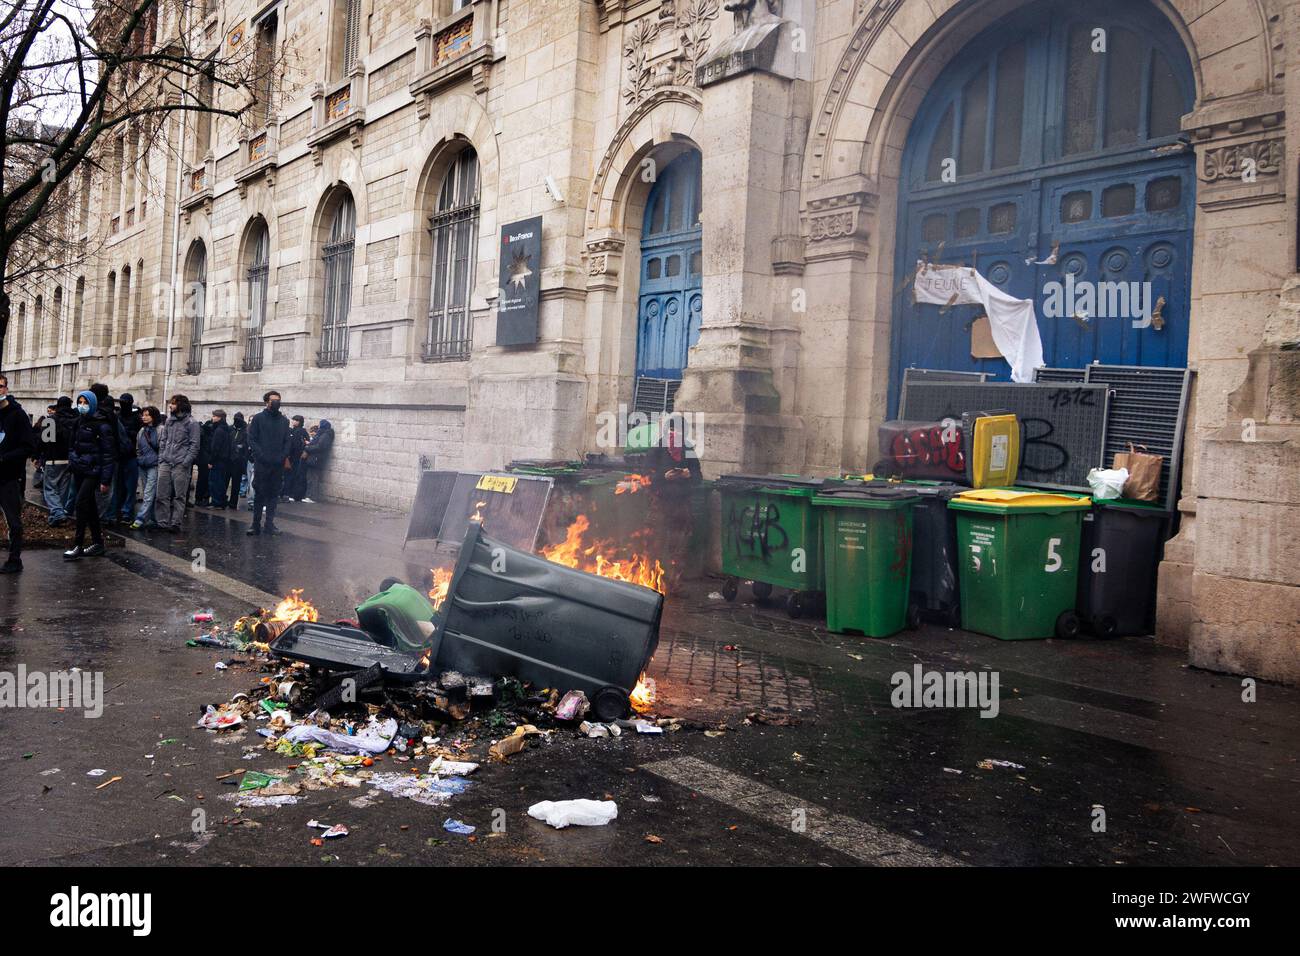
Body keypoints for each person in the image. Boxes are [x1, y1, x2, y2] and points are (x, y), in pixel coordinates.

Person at [64, 389, 116, 560]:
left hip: (93, 471)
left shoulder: (102, 425)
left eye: (85, 403)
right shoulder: (78, 422)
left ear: (92, 404)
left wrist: (105, 479)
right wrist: (73, 459)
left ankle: (78, 544)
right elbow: (72, 446)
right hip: (80, 469)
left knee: (80, 504)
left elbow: (108, 454)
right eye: (80, 402)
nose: (82, 406)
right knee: (90, 507)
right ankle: (97, 543)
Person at [0, 374, 37, 573]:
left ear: (6, 389)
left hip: (8, 477)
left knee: (13, 520)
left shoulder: (17, 415)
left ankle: (15, 559)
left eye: (0, 386)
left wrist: (4, 458)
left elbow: (28, 446)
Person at [154, 394, 201, 532]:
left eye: (173, 403)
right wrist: (162, 457)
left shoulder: (192, 423)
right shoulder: (169, 421)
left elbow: (194, 446)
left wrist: (185, 462)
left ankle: (175, 523)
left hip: (180, 464)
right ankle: (162, 522)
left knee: (179, 496)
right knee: (161, 494)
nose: (170, 405)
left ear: (180, 405)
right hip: (166, 463)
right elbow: (163, 440)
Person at [247, 390, 291, 535]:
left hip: (277, 464)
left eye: (278, 399)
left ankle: (269, 524)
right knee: (259, 494)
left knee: (273, 495)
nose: (276, 402)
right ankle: (255, 524)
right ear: (267, 402)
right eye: (273, 400)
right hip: (262, 464)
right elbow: (252, 439)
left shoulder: (284, 421)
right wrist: (260, 455)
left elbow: (287, 441)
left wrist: (283, 456)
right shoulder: (258, 419)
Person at [37, 396, 76, 527]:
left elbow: (44, 442)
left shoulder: (51, 420)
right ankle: (56, 518)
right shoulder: (75, 420)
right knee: (63, 490)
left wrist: (38, 456)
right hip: (69, 460)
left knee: (50, 489)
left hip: (53, 459)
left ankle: (58, 513)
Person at [110, 392, 142, 523]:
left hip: (131, 456)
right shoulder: (117, 417)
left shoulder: (136, 418)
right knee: (119, 486)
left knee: (130, 486)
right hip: (119, 456)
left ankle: (126, 511)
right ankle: (120, 510)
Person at [130, 406, 162, 529]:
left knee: (149, 492)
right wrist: (139, 458)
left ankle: (140, 518)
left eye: (147, 415)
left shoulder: (160, 430)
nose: (144, 417)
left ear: (153, 416)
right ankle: (152, 518)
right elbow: (138, 447)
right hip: (143, 464)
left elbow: (162, 448)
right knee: (147, 492)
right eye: (143, 415)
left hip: (154, 465)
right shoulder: (142, 431)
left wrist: (158, 461)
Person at [301, 419, 335, 504]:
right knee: (310, 477)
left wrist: (308, 447)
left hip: (316, 459)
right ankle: (309, 496)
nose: (318, 426)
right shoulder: (323, 434)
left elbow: (320, 446)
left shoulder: (325, 435)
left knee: (313, 478)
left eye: (320, 425)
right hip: (314, 458)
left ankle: (312, 497)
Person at [204, 409, 232, 508]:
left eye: (214, 416)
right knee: (220, 481)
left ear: (219, 417)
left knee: (215, 481)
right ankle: (221, 500)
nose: (213, 418)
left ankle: (217, 502)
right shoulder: (226, 429)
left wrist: (211, 461)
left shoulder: (219, 430)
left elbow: (215, 447)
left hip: (218, 460)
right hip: (224, 460)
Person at [227, 412, 250, 510]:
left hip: (238, 460)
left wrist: (241, 447)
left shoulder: (245, 431)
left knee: (236, 483)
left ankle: (233, 502)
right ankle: (225, 500)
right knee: (226, 481)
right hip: (229, 459)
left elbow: (246, 444)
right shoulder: (230, 429)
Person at [284, 414, 309, 501]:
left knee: (295, 475)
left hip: (296, 457)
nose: (294, 421)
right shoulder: (294, 431)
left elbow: (297, 445)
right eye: (293, 420)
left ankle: (294, 494)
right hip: (293, 457)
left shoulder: (300, 431)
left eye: (296, 420)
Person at [194, 410, 215, 507]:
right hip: (206, 460)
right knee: (205, 480)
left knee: (202, 480)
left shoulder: (203, 432)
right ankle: (203, 498)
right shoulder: (210, 433)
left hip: (202, 460)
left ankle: (199, 498)